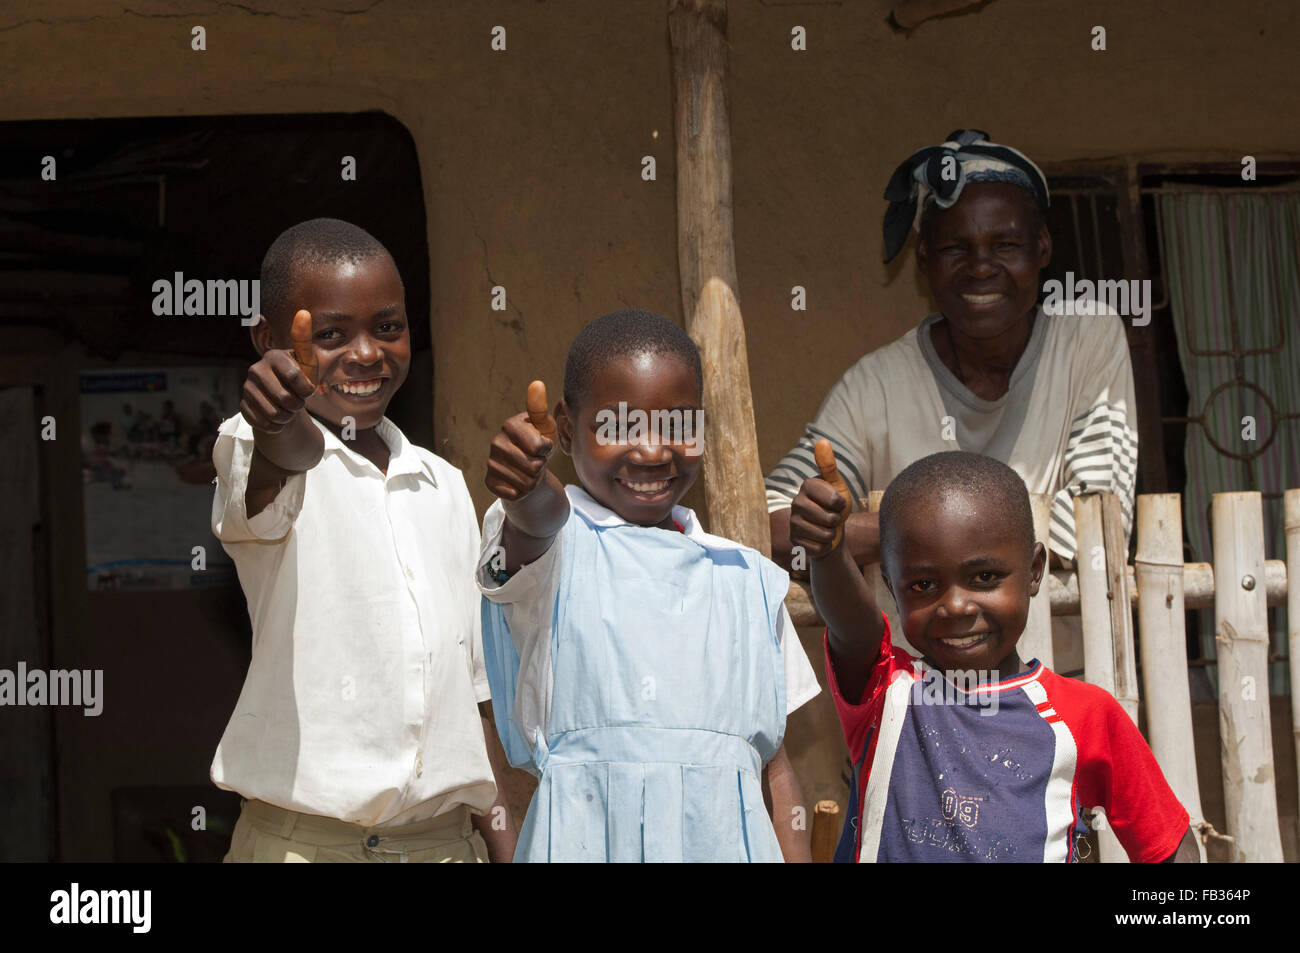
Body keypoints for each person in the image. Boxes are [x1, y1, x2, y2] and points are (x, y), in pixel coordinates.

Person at [767, 130, 1138, 665]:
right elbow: (774, 526)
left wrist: (889, 538)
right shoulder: (877, 384)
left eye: (1005, 245)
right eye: (954, 247)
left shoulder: (1087, 340)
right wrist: (862, 532)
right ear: (924, 258)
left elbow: (1095, 527)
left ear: (1042, 249)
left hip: (1068, 688)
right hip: (921, 705)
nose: (981, 266)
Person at [209, 217, 516, 863]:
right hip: (304, 846)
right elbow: (280, 460)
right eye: (329, 334)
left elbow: (475, 691)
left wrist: (506, 843)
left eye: (388, 326)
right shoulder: (250, 444)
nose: (368, 353)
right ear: (269, 341)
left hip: (446, 845)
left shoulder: (444, 485)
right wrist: (278, 417)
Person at [477, 309, 820, 862]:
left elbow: (772, 765)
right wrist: (526, 488)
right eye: (619, 426)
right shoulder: (556, 549)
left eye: (680, 425)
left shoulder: (747, 580)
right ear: (566, 428)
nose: (654, 451)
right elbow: (536, 520)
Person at [792, 447, 1197, 863]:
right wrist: (828, 551)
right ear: (892, 588)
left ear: (1034, 570)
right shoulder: (887, 690)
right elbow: (850, 622)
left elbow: (1169, 845)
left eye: (984, 577)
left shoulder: (1087, 715)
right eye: (924, 585)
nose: (956, 606)